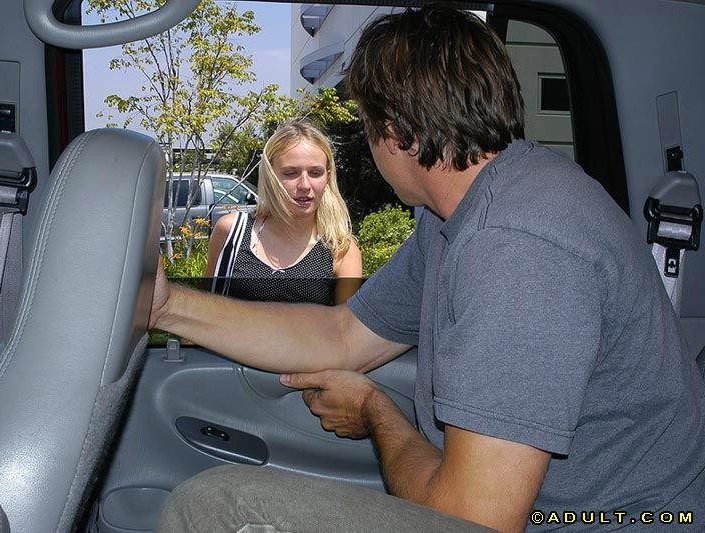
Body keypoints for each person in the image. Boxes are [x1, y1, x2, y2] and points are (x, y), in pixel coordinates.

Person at [150, 5, 705, 532]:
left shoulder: (516, 246)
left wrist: (376, 410)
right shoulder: (455, 217)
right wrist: (169, 305)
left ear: (396, 133)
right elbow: (341, 334)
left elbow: (469, 520)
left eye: (368, 128)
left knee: (216, 509)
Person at [205, 119, 362, 305]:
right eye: (291, 173)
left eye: (315, 173)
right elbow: (204, 316)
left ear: (328, 177)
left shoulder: (341, 250)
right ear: (271, 175)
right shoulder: (232, 232)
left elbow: (344, 331)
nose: (304, 185)